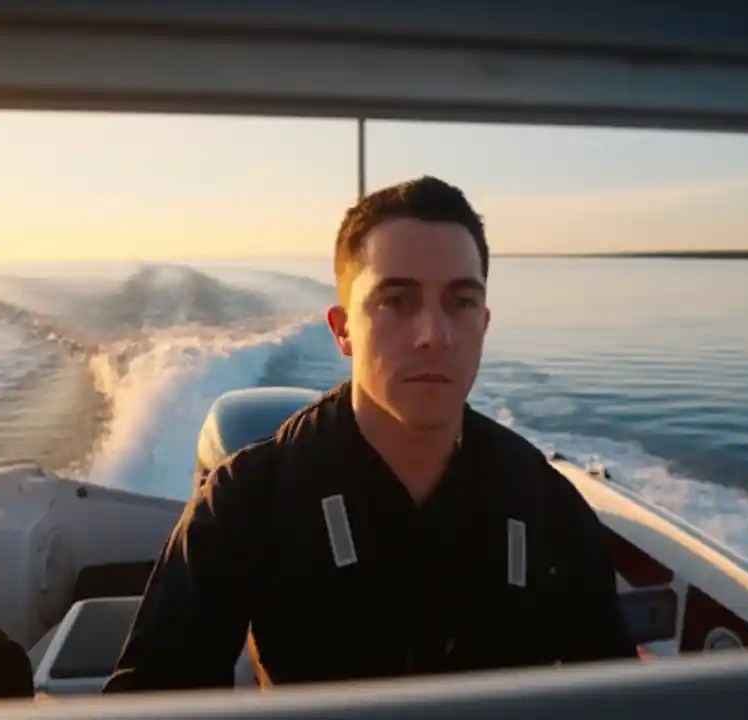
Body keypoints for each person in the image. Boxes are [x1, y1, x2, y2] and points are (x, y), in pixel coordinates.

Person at [104, 176, 635, 692]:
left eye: (461, 302)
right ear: (342, 330)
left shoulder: (544, 503)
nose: (435, 335)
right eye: (396, 302)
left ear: (484, 323)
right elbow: (152, 698)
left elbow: (622, 695)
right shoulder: (249, 502)